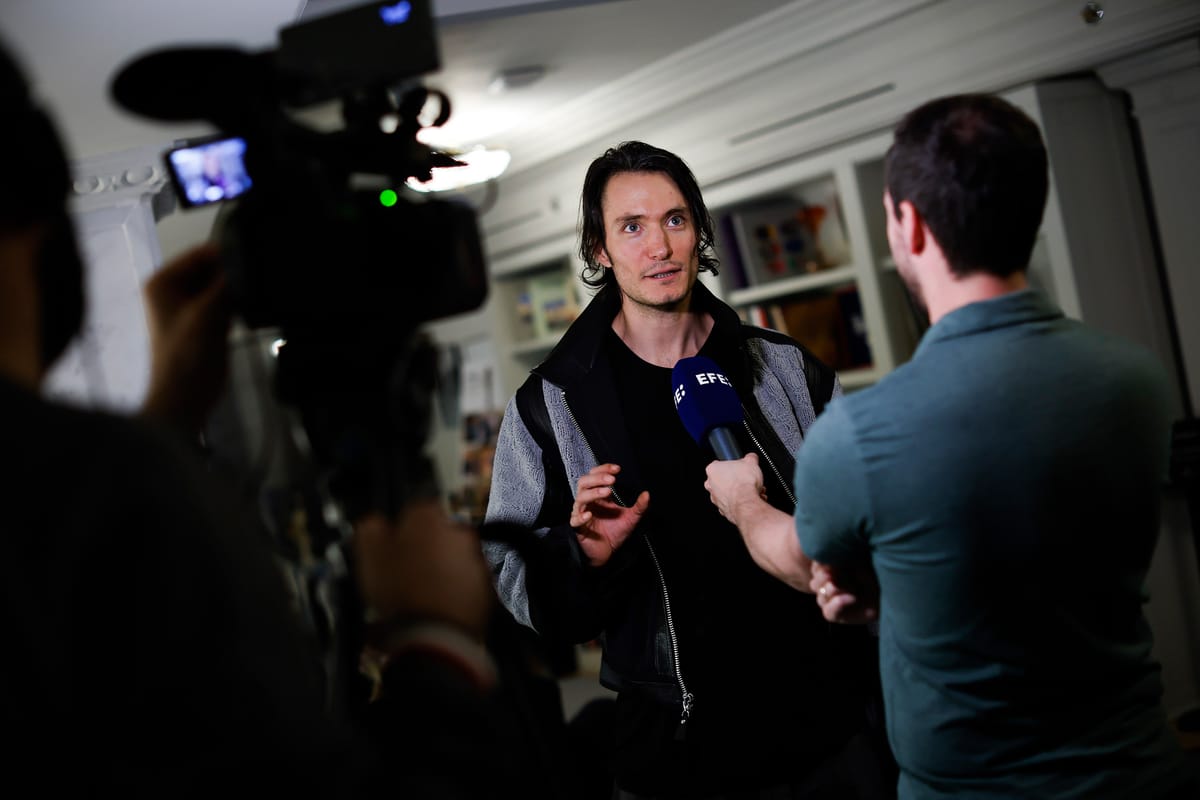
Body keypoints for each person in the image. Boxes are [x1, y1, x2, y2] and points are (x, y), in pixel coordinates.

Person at [0, 38, 556, 799]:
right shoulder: (101, 495)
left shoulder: (90, 493)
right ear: (39, 231)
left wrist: (164, 422)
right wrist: (438, 636)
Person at [704, 94, 1198, 799]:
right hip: (1146, 769)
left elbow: (802, 560)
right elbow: (1030, 563)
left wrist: (742, 500)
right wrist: (899, 592)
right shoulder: (1137, 380)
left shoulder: (863, 432)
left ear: (908, 223)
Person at [484, 140, 895, 798]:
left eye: (676, 220)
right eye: (632, 226)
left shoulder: (782, 365)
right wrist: (581, 558)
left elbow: (873, 513)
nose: (660, 247)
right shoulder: (552, 402)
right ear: (599, 248)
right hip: (681, 751)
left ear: (699, 229)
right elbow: (510, 578)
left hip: (832, 727)